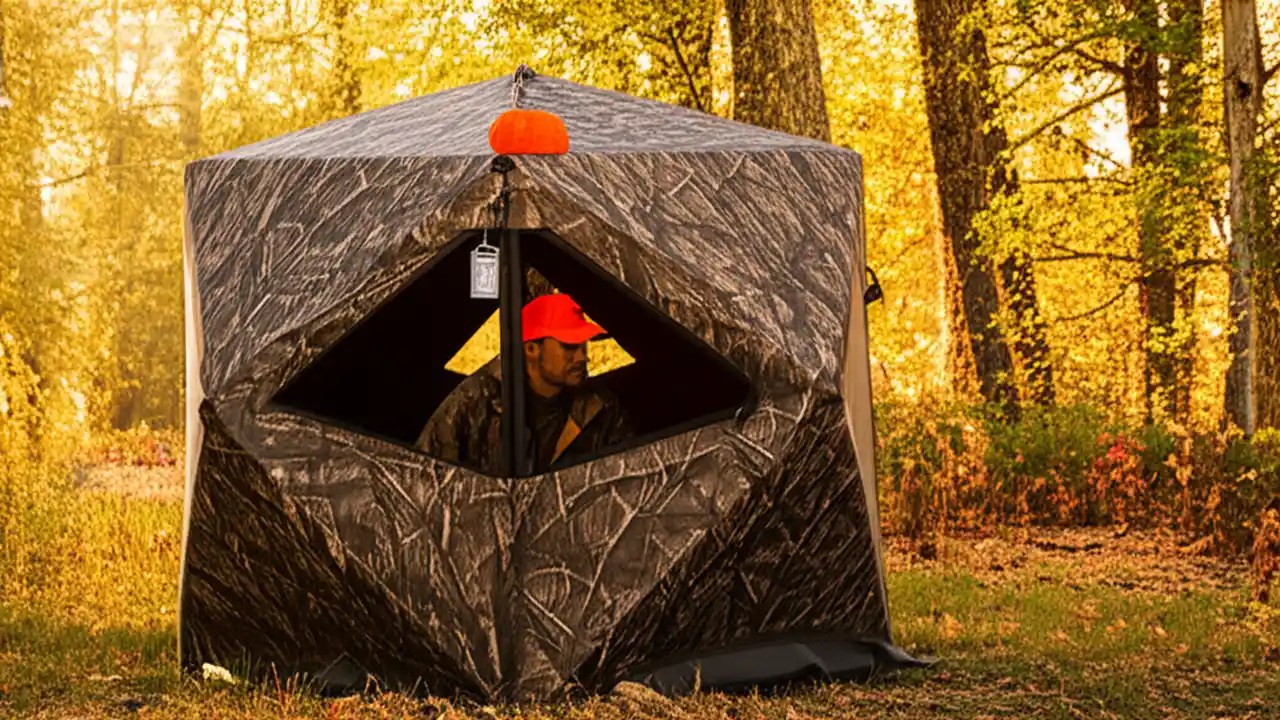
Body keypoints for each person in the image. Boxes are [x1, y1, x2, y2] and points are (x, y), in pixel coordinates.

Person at [415, 293, 632, 475]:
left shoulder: (601, 408)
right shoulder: (478, 399)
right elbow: (422, 476)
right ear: (531, 349)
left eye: (584, 346)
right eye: (569, 346)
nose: (582, 357)